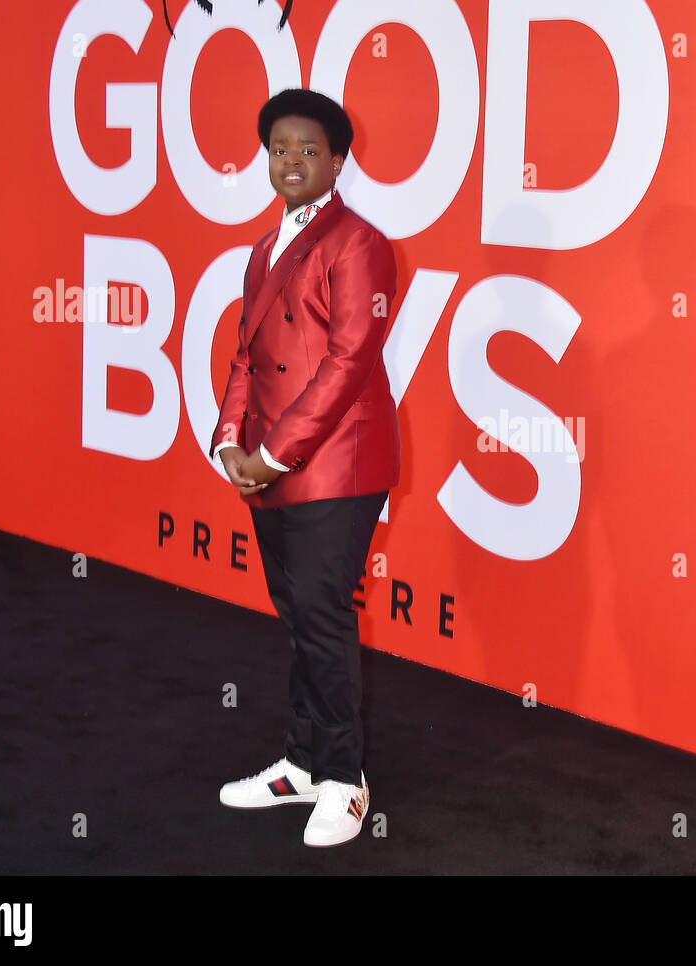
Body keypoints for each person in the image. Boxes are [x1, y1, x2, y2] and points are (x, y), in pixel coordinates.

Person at [210, 88, 399, 848]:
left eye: (308, 150)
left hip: (337, 463)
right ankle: (300, 761)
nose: (292, 161)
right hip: (269, 461)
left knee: (322, 616)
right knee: (295, 614)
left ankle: (345, 781)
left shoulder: (359, 242)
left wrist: (273, 452)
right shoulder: (262, 248)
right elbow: (245, 358)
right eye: (279, 149)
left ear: (339, 160)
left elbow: (351, 364)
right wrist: (230, 443)